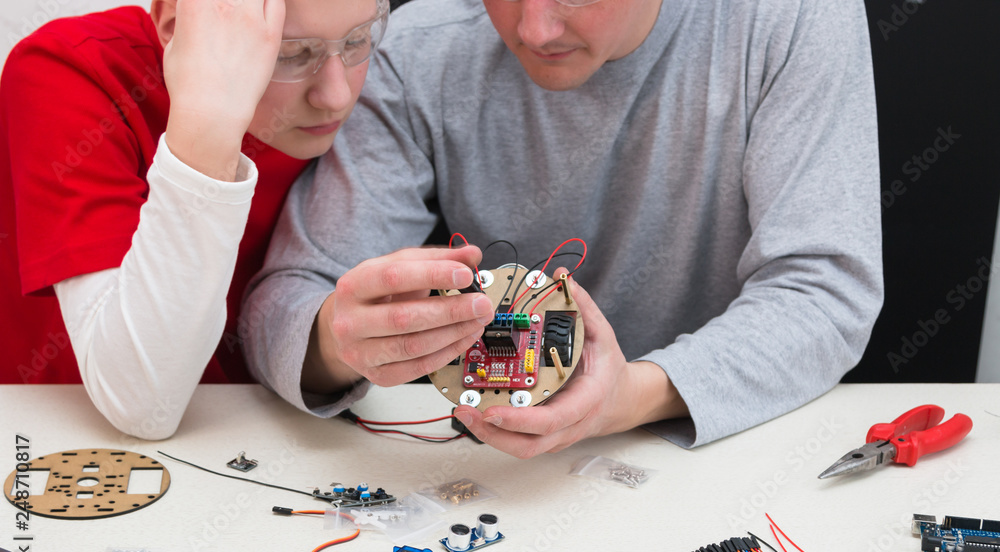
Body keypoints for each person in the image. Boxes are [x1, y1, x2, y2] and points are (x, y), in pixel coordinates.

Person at [243, 0, 883, 457]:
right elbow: (283, 301)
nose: (534, 27)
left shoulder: (793, 18)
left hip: (721, 456)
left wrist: (631, 395)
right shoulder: (416, 50)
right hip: (489, 479)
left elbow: (826, 293)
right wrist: (337, 338)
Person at [0, 0, 388, 439]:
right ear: (175, 27)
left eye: (359, 39)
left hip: (269, 429)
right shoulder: (66, 69)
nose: (336, 96)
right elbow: (143, 406)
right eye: (288, 54)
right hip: (75, 443)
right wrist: (210, 121)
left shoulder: (364, 92)